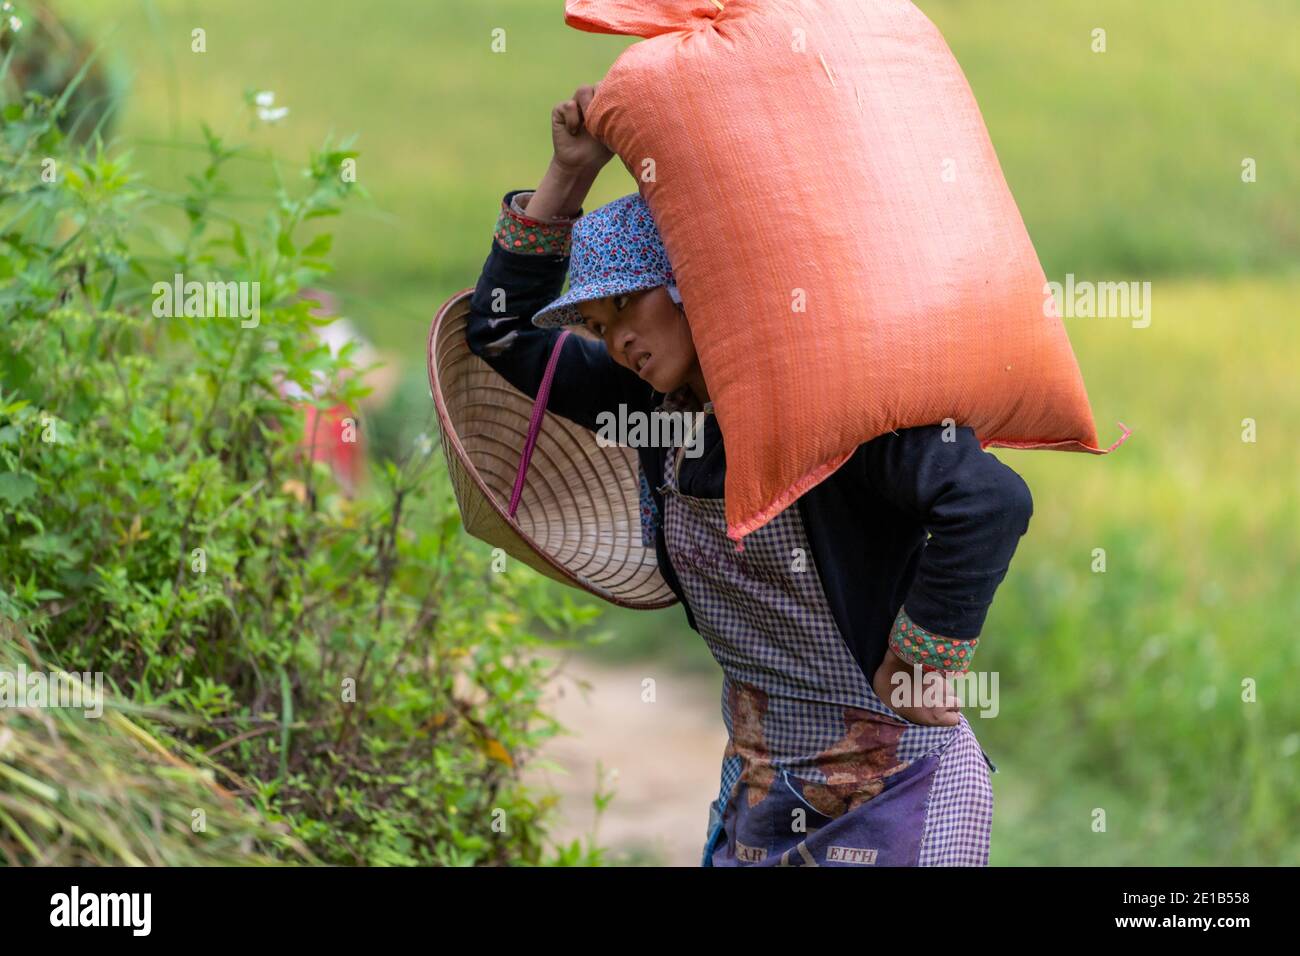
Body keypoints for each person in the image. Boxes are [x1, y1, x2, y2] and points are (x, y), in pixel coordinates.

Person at [463, 85, 1034, 866]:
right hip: (765, 796)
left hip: (897, 793)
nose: (619, 339)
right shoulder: (654, 407)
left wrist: (922, 658)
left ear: (689, 287)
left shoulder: (827, 409)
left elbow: (989, 498)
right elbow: (497, 331)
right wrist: (568, 176)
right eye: (600, 328)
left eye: (630, 306)